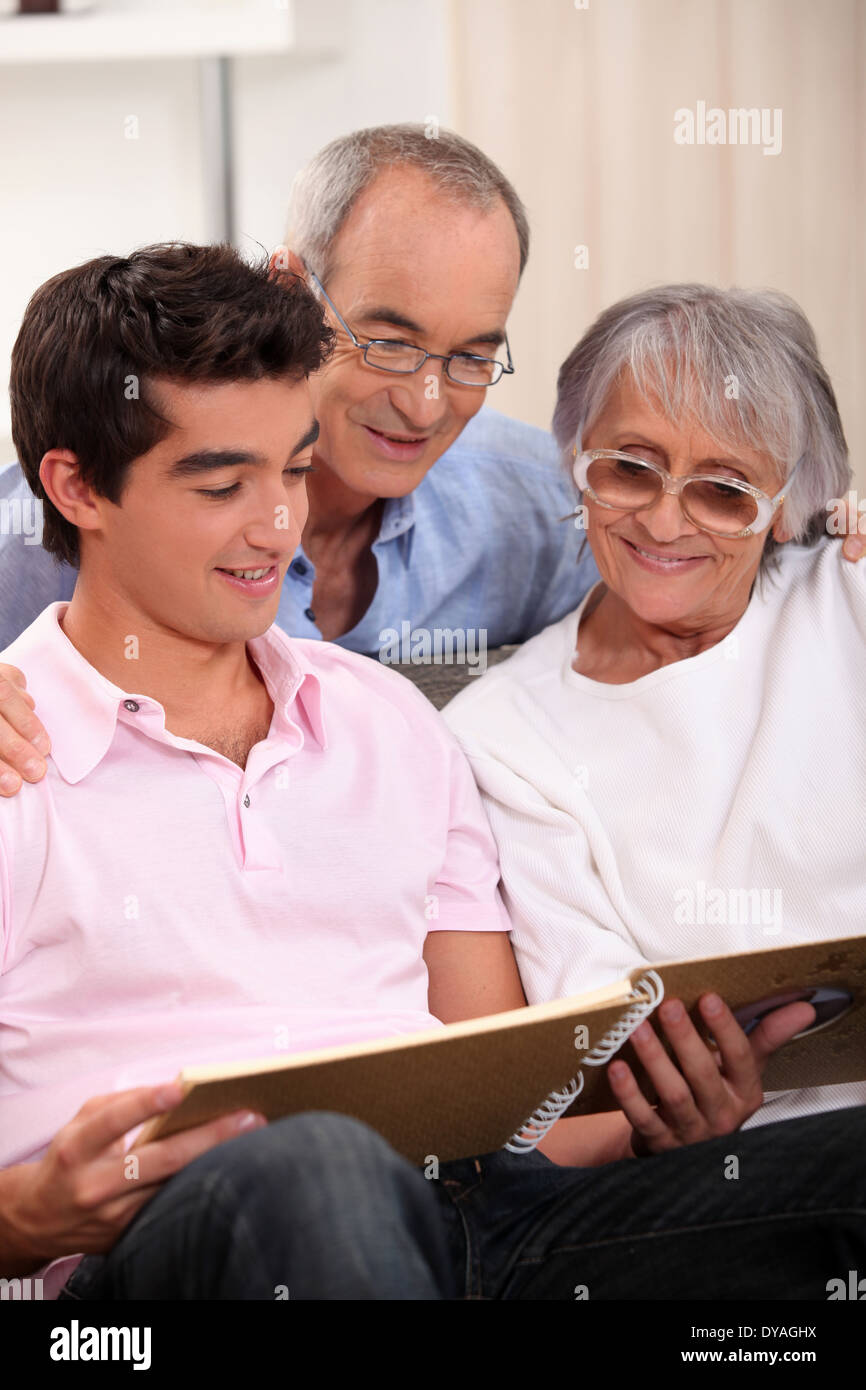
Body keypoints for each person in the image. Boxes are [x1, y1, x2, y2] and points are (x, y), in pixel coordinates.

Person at [2, 248, 865, 1302]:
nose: (279, 527)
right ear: (77, 486)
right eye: (223, 483)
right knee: (316, 1165)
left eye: (293, 469)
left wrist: (664, 1131)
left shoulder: (388, 722)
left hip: (478, 1216)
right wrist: (19, 1216)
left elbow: (512, 1110)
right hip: (177, 1237)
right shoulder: (17, 759)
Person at [443, 283, 866, 1158]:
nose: (664, 522)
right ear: (575, 462)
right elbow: (593, 1062)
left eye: (724, 491)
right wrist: (658, 1122)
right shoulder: (500, 737)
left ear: (787, 506)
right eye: (629, 469)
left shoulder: (850, 595)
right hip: (749, 1173)